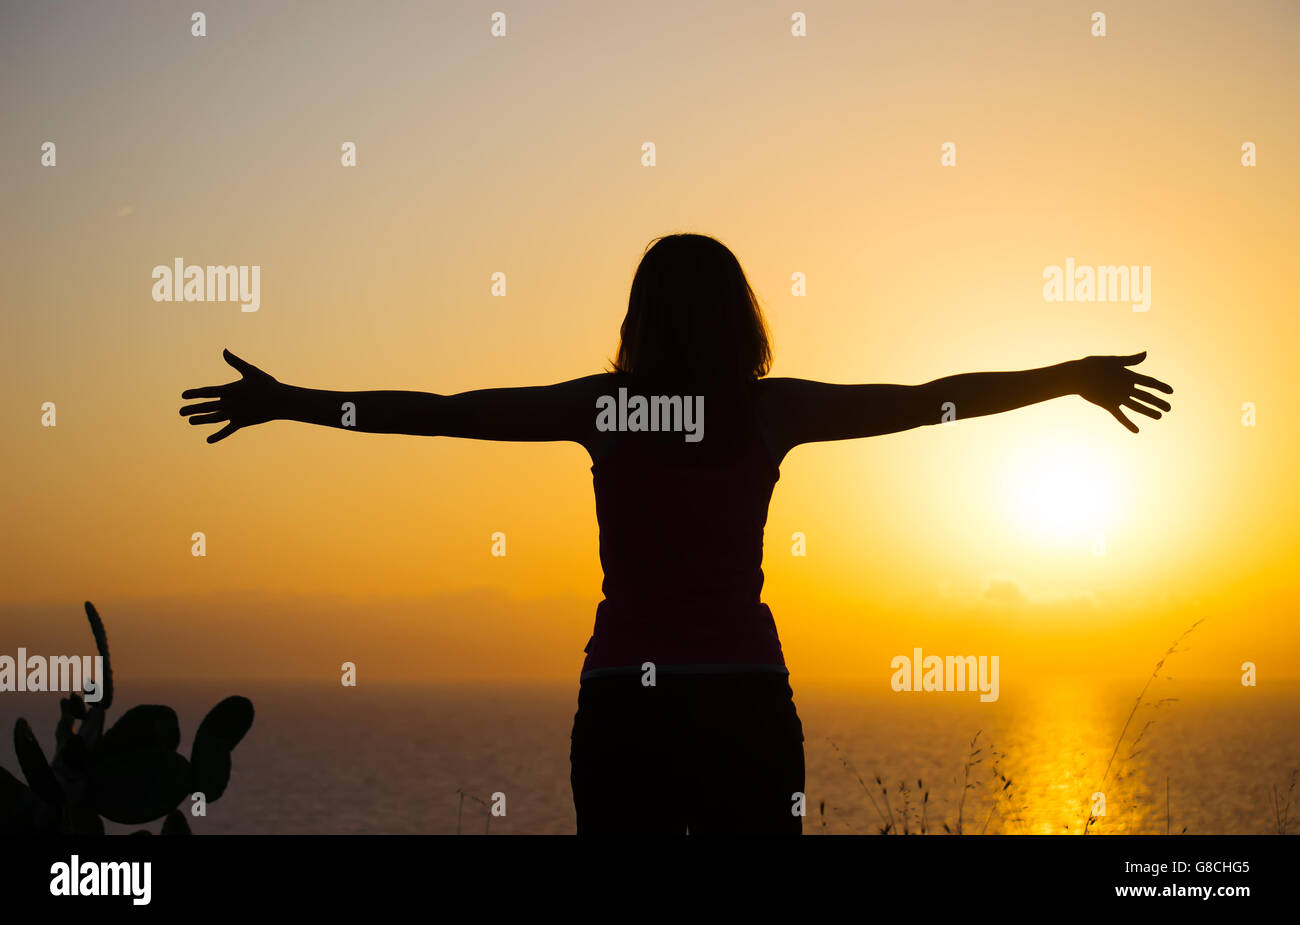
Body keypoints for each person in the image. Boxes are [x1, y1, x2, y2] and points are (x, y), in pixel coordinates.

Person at [179, 232, 1173, 834]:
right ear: (738, 317)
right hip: (742, 698)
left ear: (639, 318)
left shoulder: (605, 408)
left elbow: (435, 408)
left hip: (626, 705)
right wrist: (1069, 375)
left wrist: (290, 401)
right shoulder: (768, 412)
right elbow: (931, 400)